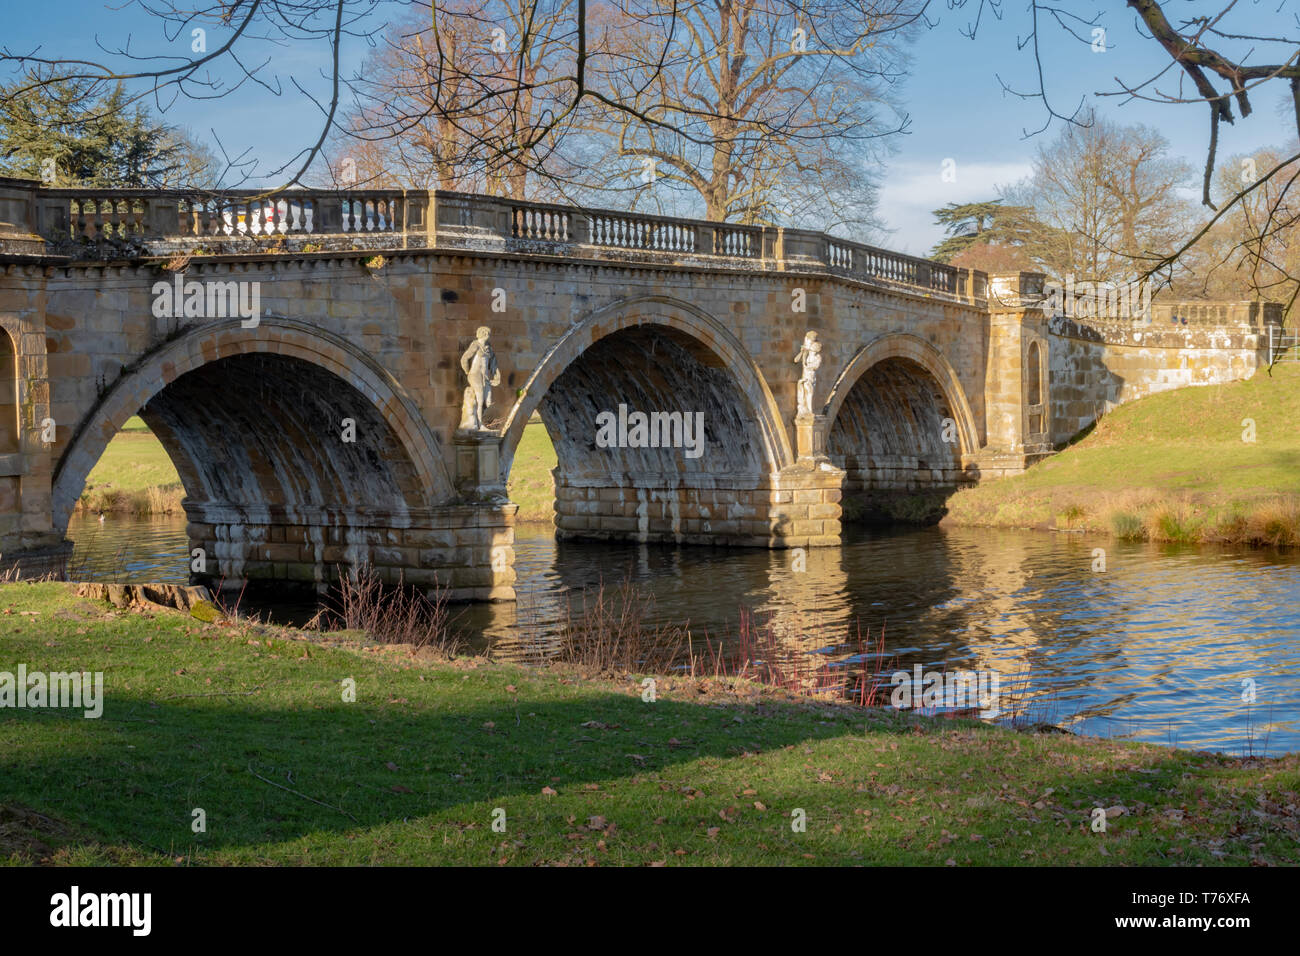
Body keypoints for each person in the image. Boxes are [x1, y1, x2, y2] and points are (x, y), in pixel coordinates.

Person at [459, 326, 502, 430]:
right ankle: (479, 424)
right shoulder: (476, 345)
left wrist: (497, 376)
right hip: (475, 375)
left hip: (485, 377)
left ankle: (482, 421)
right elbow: (464, 358)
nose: (488, 335)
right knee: (479, 399)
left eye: (489, 333)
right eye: (487, 333)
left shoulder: (488, 348)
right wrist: (467, 371)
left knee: (488, 400)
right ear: (483, 334)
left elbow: (494, 364)